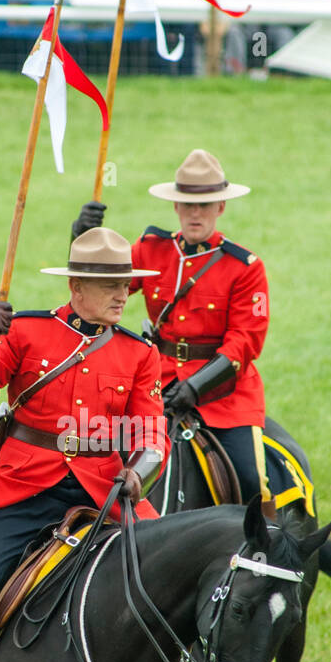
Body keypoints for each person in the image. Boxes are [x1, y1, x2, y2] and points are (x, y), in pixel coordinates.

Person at [0, 228, 209, 662]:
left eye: (127, 284)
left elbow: (150, 430)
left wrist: (138, 473)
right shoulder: (26, 331)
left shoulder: (138, 353)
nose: (124, 295)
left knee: (171, 577)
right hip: (24, 485)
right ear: (77, 285)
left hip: (104, 490)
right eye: (111, 285)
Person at [72, 151, 274, 519]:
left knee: (251, 480)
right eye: (187, 205)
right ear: (176, 207)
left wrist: (195, 387)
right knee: (92, 447)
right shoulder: (152, 250)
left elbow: (245, 343)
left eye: (205, 205)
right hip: (155, 380)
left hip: (224, 395)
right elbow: (100, 288)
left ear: (221, 207)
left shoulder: (243, 267)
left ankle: (265, 557)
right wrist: (83, 239)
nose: (196, 214)